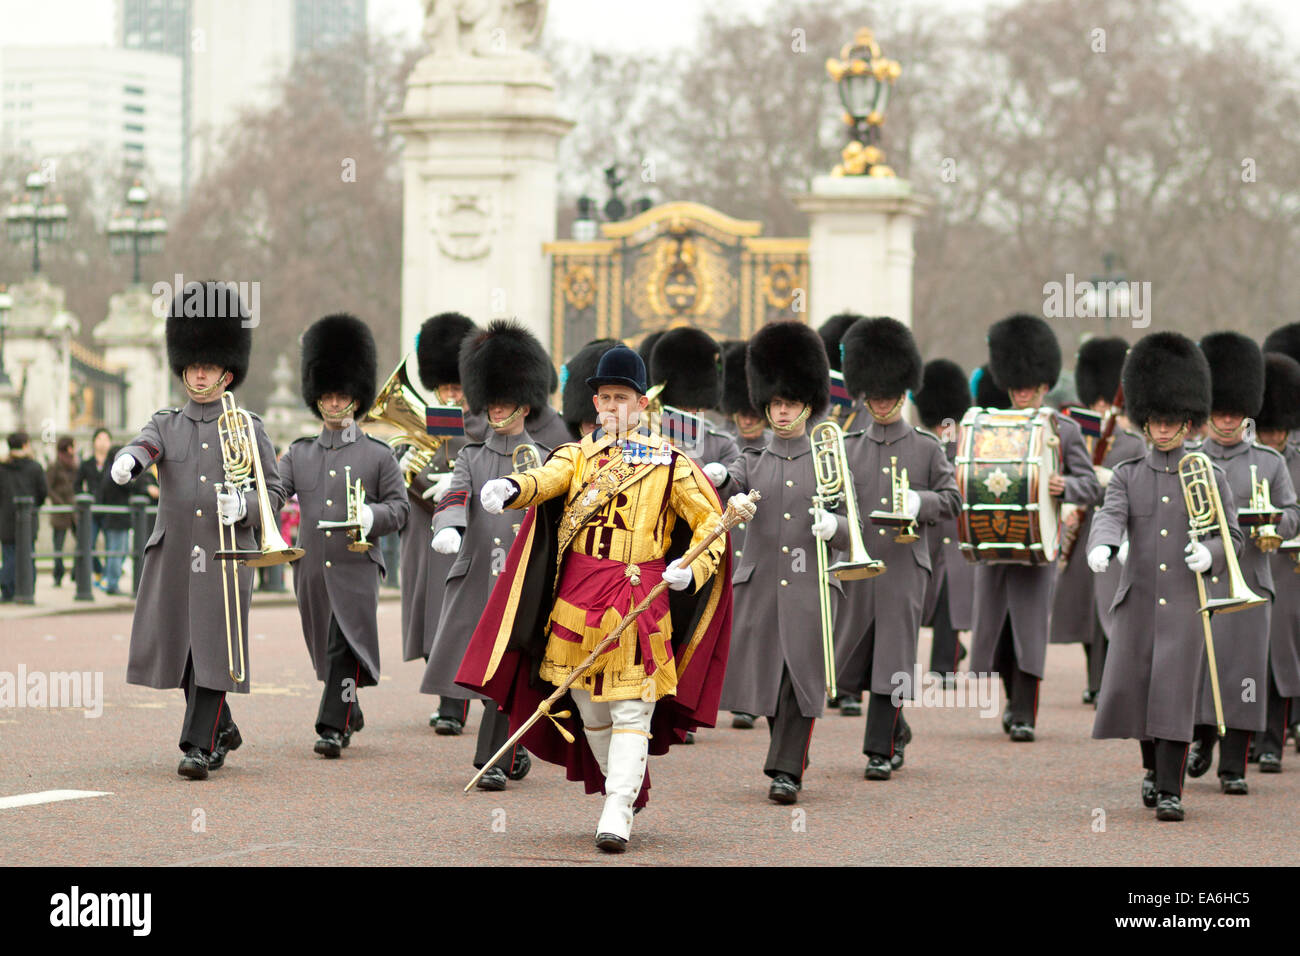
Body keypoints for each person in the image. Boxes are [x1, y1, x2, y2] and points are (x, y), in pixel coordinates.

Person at [456, 343, 736, 853]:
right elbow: (547, 479)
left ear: (641, 405)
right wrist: (513, 487)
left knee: (632, 709)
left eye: (621, 398)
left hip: (638, 599)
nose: (611, 407)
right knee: (590, 712)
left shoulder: (671, 464)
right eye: (604, 398)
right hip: (578, 600)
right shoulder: (577, 455)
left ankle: (617, 808)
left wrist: (690, 567)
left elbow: (710, 522)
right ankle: (620, 789)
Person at [110, 280, 279, 781]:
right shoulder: (165, 424)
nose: (198, 374)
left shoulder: (249, 427)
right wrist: (128, 461)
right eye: (192, 365)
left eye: (207, 366)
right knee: (184, 651)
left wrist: (242, 506)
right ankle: (221, 728)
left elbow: (273, 495)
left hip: (226, 556)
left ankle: (197, 746)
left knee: (214, 648)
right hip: (176, 555)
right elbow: (145, 446)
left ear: (228, 373)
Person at [1088, 332, 1242, 821]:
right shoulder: (1129, 472)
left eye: (1170, 420)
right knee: (1137, 691)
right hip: (1138, 599)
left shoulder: (1208, 473)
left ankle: (1171, 790)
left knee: (1174, 692)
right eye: (1154, 419)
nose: (1161, 428)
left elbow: (1231, 537)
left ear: (1187, 421)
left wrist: (1211, 554)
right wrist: (1103, 544)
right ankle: (1153, 771)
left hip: (1185, 599)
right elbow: (1111, 513)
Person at [715, 320, 849, 804]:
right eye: (774, 403)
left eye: (789, 402)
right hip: (762, 587)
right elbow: (727, 485)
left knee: (801, 678)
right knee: (771, 679)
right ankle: (790, 756)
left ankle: (786, 768)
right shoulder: (752, 459)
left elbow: (853, 527)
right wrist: (711, 475)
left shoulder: (830, 457)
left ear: (807, 404)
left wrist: (836, 530)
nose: (781, 410)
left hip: (812, 586)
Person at [421, 320, 554, 789]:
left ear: (524, 401)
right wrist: (449, 529)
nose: (497, 409)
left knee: (510, 665)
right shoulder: (472, 457)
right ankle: (512, 749)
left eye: (505, 400)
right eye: (492, 400)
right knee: (479, 668)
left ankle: (493, 759)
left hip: (521, 579)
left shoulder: (546, 457)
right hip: (479, 573)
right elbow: (454, 496)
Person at [272, 314, 409, 758]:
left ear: (356, 399)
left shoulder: (377, 455)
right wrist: (246, 500)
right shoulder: (299, 453)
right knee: (327, 652)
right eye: (327, 397)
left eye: (342, 397)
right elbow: (275, 490)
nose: (334, 404)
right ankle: (349, 709)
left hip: (356, 566)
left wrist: (372, 516)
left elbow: (400, 510)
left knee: (344, 644)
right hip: (312, 569)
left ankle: (331, 725)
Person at [831, 318, 962, 780]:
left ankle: (879, 750)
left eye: (889, 397)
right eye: (875, 397)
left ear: (904, 394)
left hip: (906, 566)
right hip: (857, 564)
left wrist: (920, 502)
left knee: (894, 656)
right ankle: (898, 729)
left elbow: (952, 500)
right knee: (856, 658)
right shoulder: (847, 447)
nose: (882, 405)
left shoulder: (927, 448)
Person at [969, 314, 1102, 742]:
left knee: (1029, 626)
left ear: (1044, 386)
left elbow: (1091, 486)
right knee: (999, 629)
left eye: (1029, 385)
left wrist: (1066, 485)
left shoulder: (1063, 429)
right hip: (993, 535)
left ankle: (1025, 712)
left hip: (1038, 540)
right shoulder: (989, 425)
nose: (1023, 391)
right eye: (1017, 385)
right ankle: (1013, 700)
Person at [1184, 332, 1299, 794]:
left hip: (1252, 577)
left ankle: (1234, 765)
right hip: (1202, 582)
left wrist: (1275, 527)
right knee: (1200, 670)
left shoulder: (1269, 463)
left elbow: (1293, 512)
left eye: (1235, 411)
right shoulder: (1189, 461)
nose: (1227, 419)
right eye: (1220, 410)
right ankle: (1202, 741)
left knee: (1245, 673)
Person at [1049, 337, 1145, 705]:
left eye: (1107, 402)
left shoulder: (1131, 443)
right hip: (1080, 530)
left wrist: (1105, 482)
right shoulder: (1077, 437)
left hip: (1112, 532)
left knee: (1108, 608)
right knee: (1084, 610)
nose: (1102, 407)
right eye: (1098, 401)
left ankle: (1107, 679)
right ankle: (1094, 679)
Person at [398, 312, 481, 733]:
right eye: (445, 386)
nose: (451, 393)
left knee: (458, 618)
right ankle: (446, 693)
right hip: (423, 533)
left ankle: (454, 705)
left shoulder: (484, 425)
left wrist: (458, 483)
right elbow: (401, 473)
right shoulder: (419, 423)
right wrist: (410, 474)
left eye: (457, 386)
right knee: (429, 617)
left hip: (466, 536)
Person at [913, 359, 973, 685]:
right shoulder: (926, 443)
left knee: (950, 599)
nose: (943, 428)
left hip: (955, 533)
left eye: (946, 423)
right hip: (929, 533)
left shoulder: (961, 443)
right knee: (928, 602)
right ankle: (953, 652)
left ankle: (944, 665)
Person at [1253, 352, 1300, 771]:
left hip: (1292, 568)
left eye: (1278, 431)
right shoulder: (1247, 459)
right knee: (1254, 654)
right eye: (1264, 430)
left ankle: (1275, 739)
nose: (1271, 439)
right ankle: (1256, 738)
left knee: (1283, 655)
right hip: (1254, 566)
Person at [720, 337, 767, 729]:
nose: (748, 418)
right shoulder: (721, 443)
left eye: (754, 411)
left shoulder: (772, 449)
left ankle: (749, 699)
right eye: (742, 411)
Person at [0, 431, 48, 602]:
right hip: (28, 518)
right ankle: (27, 590)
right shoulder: (35, 467)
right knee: (28, 554)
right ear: (26, 445)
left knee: (9, 556)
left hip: (6, 518)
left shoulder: (3, 467)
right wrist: (34, 507)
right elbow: (43, 492)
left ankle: (7, 591)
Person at [77, 428, 113, 583]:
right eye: (99, 439)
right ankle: (97, 570)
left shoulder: (114, 464)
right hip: (91, 510)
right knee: (88, 543)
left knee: (112, 547)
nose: (103, 443)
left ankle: (107, 575)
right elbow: (77, 484)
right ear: (94, 442)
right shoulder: (86, 464)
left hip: (110, 510)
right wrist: (84, 498)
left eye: (106, 439)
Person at [46, 436, 79, 588]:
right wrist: (58, 502)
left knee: (82, 542)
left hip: (74, 511)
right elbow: (49, 487)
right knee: (58, 546)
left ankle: (76, 573)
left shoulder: (75, 464)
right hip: (60, 511)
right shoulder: (54, 466)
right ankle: (58, 575)